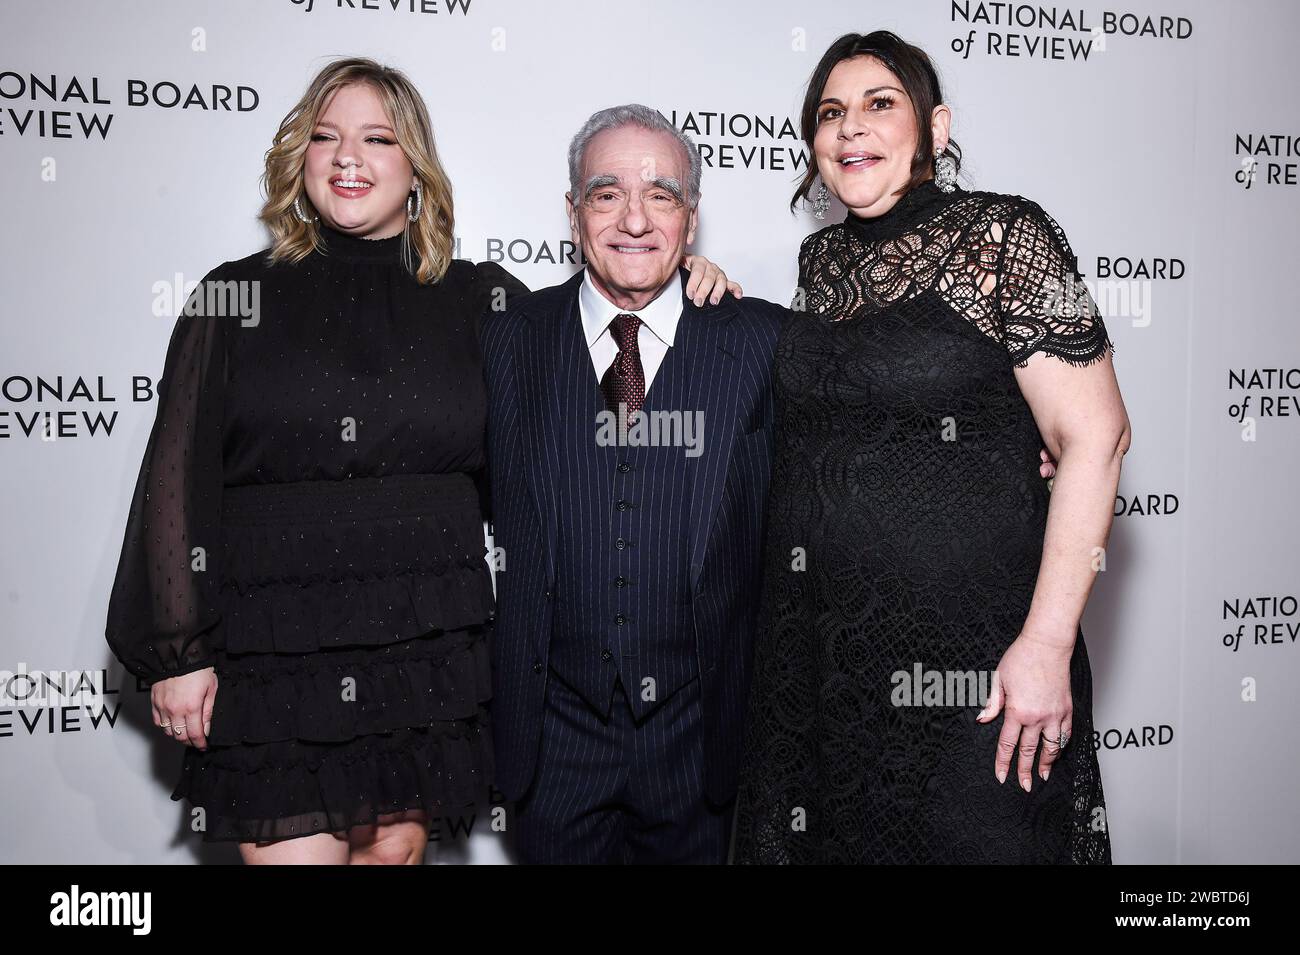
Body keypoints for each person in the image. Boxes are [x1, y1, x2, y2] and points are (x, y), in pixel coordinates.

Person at [105, 55, 732, 864]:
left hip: (422, 649)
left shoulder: (479, 300)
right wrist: (176, 654)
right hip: (281, 654)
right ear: (300, 157)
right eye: (325, 137)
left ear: (416, 171)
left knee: (394, 857)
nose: (348, 157)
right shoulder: (234, 297)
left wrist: (688, 282)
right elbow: (174, 483)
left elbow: (602, 328)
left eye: (377, 137)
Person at [733, 31, 1130, 864]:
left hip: (974, 665)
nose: (850, 128)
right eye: (831, 112)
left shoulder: (1006, 236)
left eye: (881, 104)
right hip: (828, 661)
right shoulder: (823, 262)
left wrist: (1047, 645)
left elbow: (1096, 436)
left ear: (935, 129)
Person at [480, 105, 787, 864]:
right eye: (606, 192)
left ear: (691, 215)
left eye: (662, 194)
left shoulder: (762, 341)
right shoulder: (505, 337)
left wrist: (1021, 443)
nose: (635, 219)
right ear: (573, 212)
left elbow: (861, 449)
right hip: (553, 740)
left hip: (699, 737)